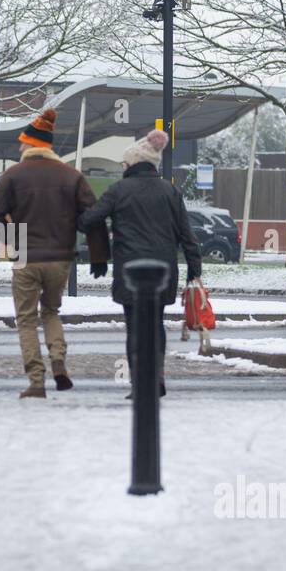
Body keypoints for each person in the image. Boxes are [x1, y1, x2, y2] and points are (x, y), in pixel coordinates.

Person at [0, 107, 109, 399]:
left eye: (23, 142)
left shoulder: (14, 175)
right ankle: (59, 360)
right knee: (51, 312)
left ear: (31, 145)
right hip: (60, 259)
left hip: (27, 258)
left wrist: (14, 240)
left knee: (26, 320)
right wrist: (99, 254)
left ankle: (36, 381)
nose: (20, 146)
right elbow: (94, 214)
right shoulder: (71, 176)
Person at [78, 128, 201, 398]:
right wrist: (195, 271)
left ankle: (138, 383)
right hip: (163, 270)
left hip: (131, 270)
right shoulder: (170, 191)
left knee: (134, 327)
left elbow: (89, 220)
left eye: (124, 163)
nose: (122, 166)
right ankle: (156, 378)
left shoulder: (119, 190)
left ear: (132, 163)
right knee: (156, 324)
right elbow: (187, 235)